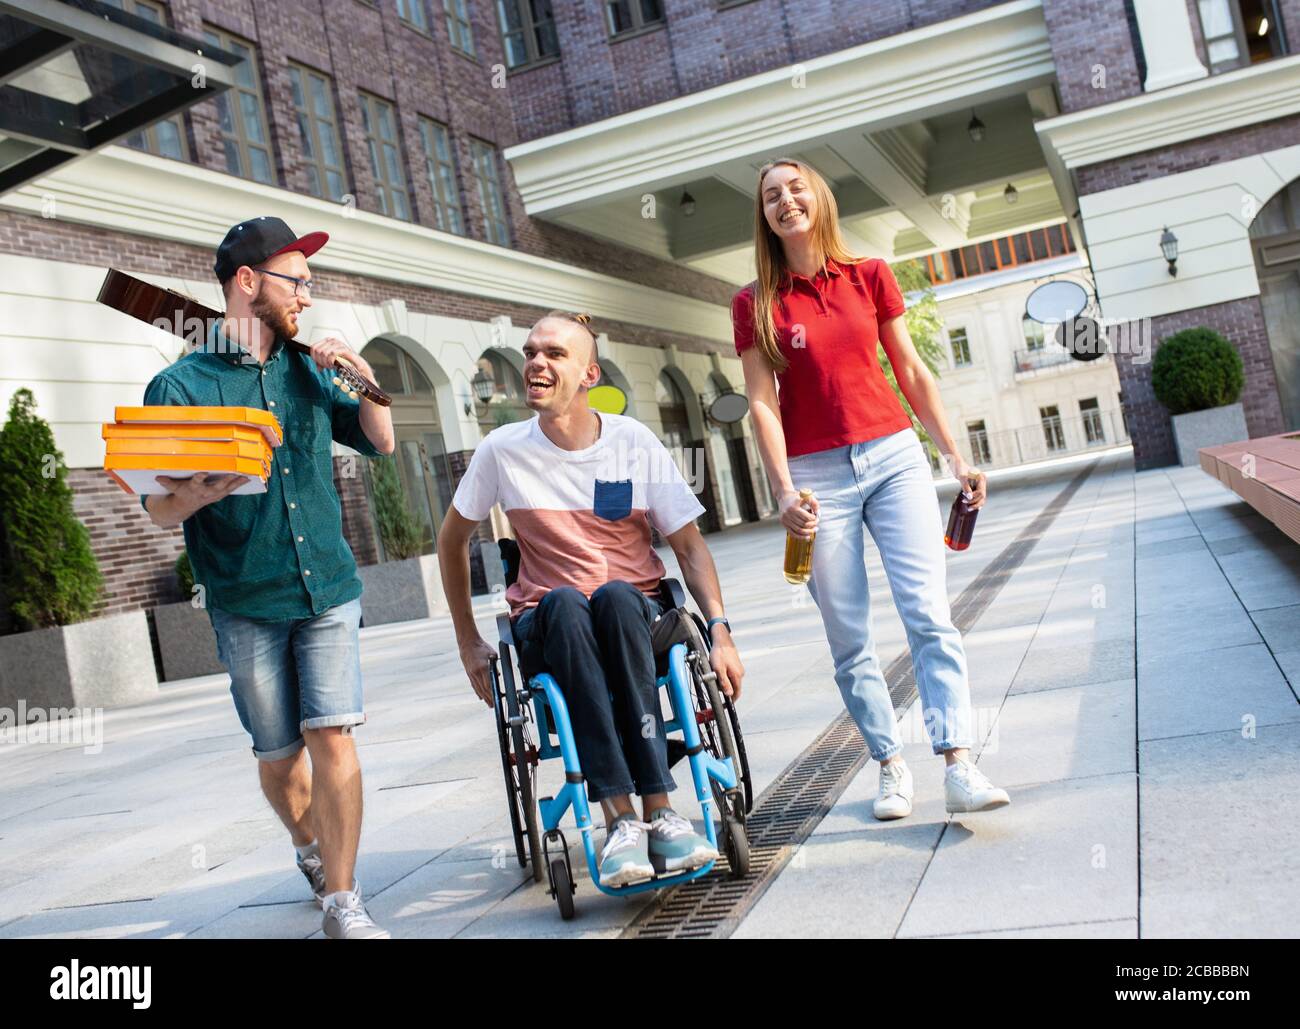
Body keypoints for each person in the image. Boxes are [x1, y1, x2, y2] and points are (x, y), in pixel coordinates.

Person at [732, 158, 1010, 820]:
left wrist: (953, 454)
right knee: (848, 634)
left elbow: (909, 369)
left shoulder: (870, 275)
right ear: (764, 216)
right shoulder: (754, 303)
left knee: (928, 613)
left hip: (893, 457)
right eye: (771, 195)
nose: (785, 200)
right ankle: (889, 765)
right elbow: (762, 401)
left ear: (819, 199)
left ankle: (958, 763)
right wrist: (782, 489)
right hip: (815, 478)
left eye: (795, 188)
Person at [141, 216, 396, 937]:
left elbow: (380, 441)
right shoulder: (179, 385)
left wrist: (367, 379)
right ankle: (308, 843)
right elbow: (159, 507)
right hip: (245, 598)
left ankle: (344, 901)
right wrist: (199, 490)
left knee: (333, 733)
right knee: (281, 757)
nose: (307, 298)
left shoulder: (311, 365)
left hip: (328, 589)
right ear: (248, 284)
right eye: (298, 282)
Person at [439, 312, 745, 887]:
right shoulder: (502, 451)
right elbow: (452, 539)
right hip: (551, 627)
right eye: (531, 352)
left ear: (588, 374)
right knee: (565, 603)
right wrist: (467, 641)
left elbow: (688, 545)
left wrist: (721, 632)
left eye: (554, 354)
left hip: (635, 619)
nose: (535, 362)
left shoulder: (633, 441)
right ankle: (621, 821)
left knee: (615, 597)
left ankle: (660, 812)